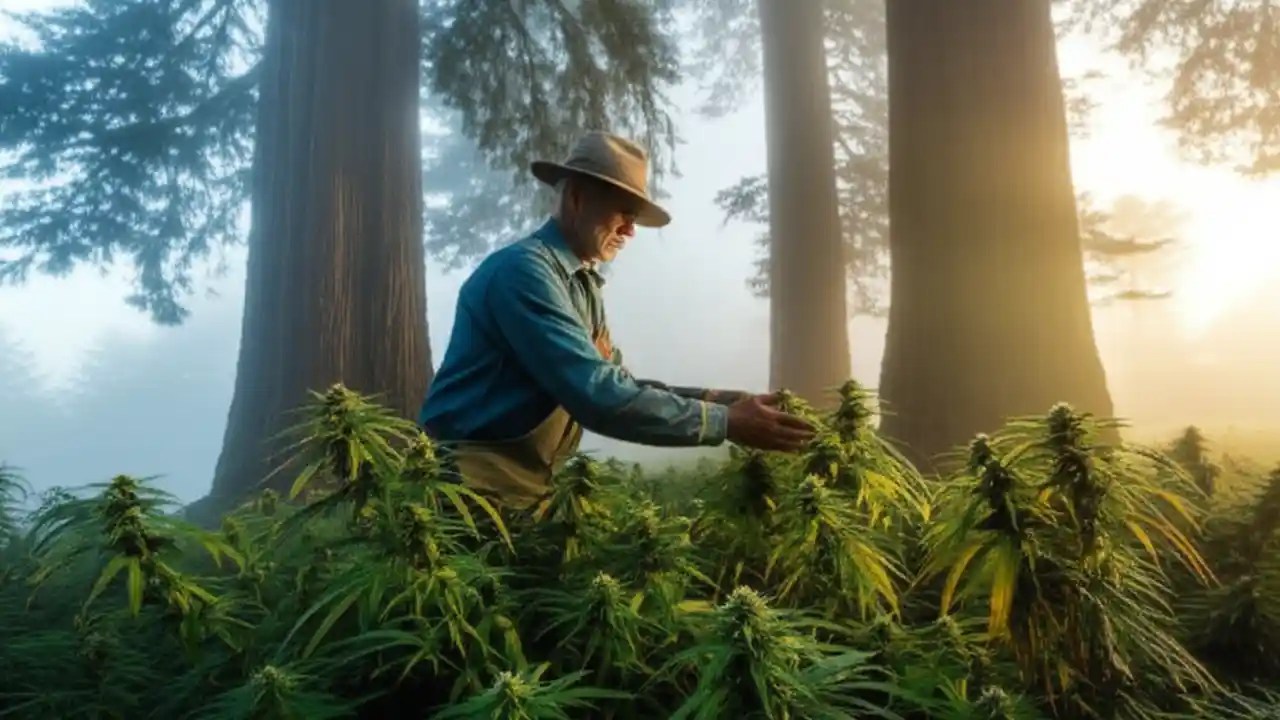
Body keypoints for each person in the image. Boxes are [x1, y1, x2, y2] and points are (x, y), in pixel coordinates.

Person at [418, 130, 815, 508]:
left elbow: (616, 384)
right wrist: (726, 422)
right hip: (467, 490)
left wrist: (720, 401)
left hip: (520, 491)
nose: (630, 231)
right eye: (623, 214)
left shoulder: (580, 283)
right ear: (575, 198)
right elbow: (597, 397)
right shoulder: (523, 274)